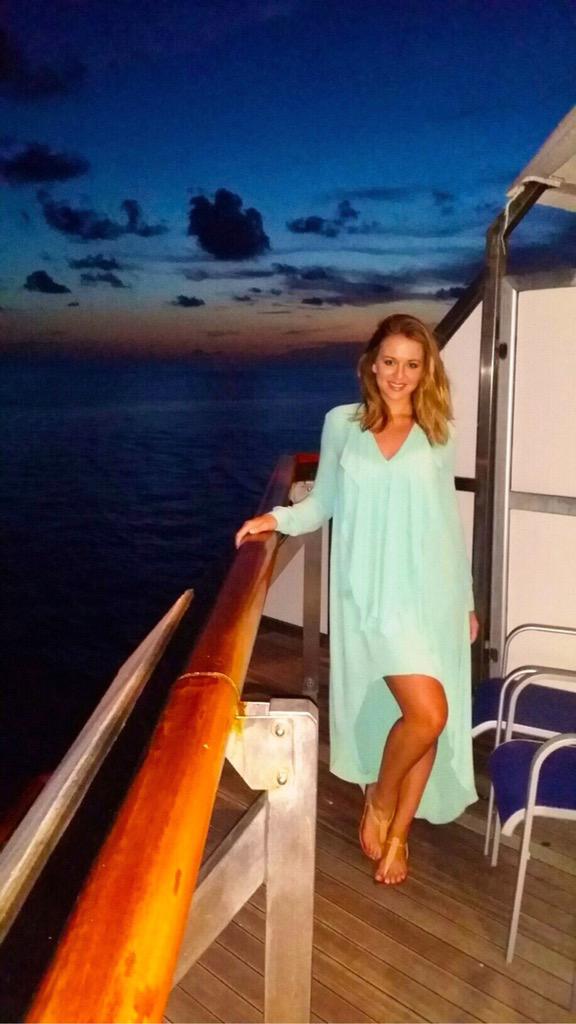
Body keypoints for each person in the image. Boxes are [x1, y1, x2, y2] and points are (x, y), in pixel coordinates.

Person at [236, 313, 479, 885]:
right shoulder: (343, 424)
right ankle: (380, 797)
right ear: (372, 364)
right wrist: (276, 518)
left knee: (429, 718)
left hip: (432, 595)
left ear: (426, 371)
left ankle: (397, 833)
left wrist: (466, 601)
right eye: (390, 361)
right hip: (371, 596)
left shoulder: (437, 431)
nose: (399, 375)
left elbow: (447, 525)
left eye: (412, 365)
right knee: (427, 712)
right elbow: (323, 503)